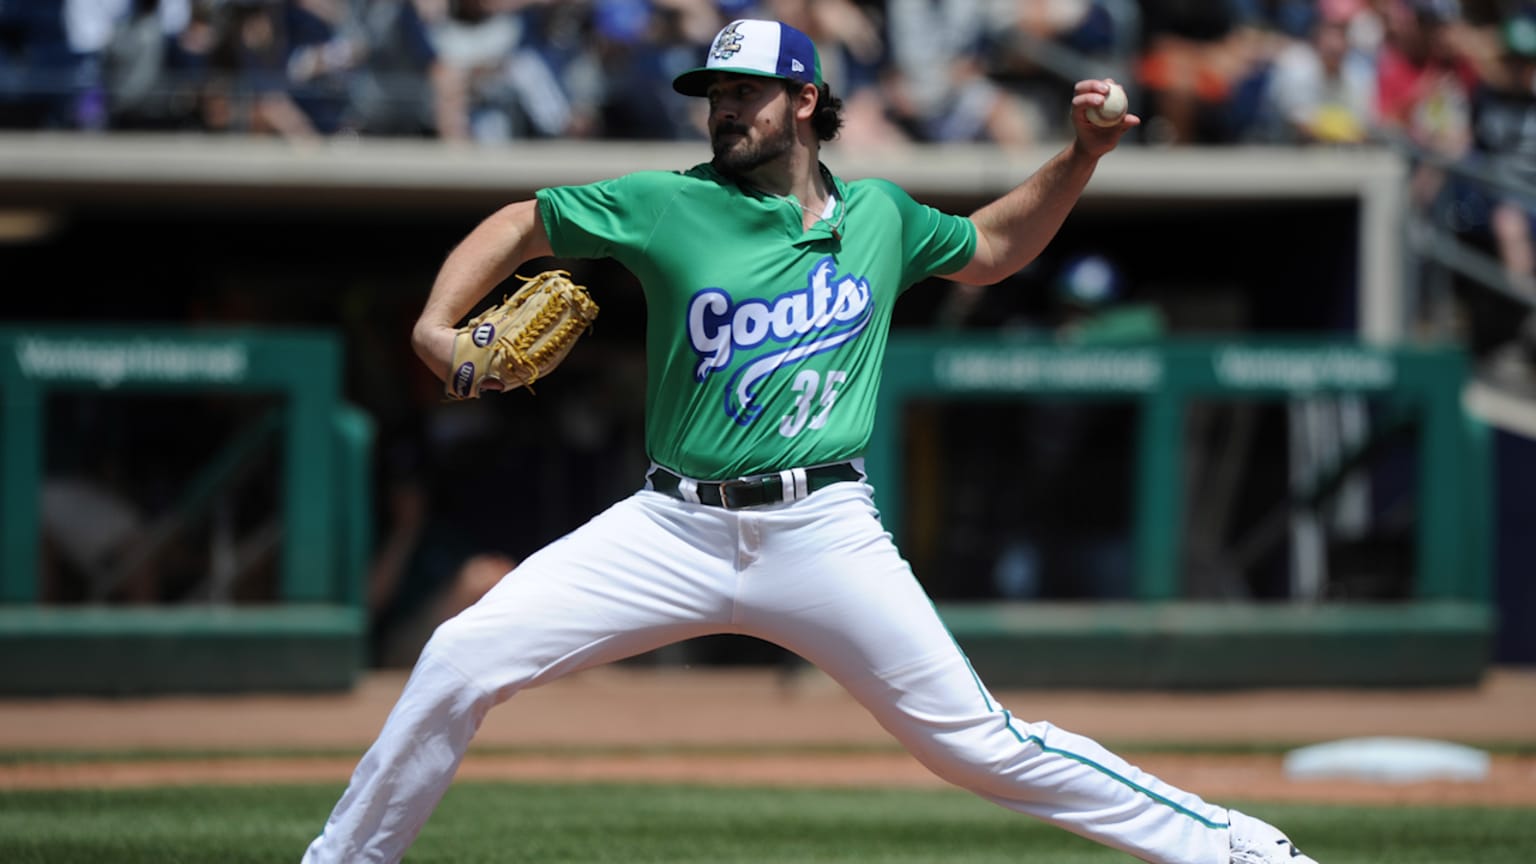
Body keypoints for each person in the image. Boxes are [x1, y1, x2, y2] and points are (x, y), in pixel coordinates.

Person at [303, 18, 1318, 864]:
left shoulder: (879, 215)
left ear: (803, 102)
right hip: (669, 526)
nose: (725, 109)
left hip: (823, 526)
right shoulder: (670, 202)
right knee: (460, 656)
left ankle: (1239, 850)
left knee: (978, 746)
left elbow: (997, 246)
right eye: (714, 93)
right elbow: (523, 221)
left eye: (746, 91)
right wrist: (438, 326)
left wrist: (1081, 157)